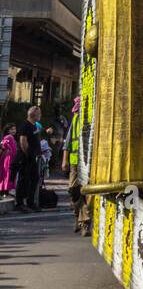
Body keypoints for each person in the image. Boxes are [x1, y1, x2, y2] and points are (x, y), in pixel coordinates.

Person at [62, 97, 88, 234]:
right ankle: (77, 217)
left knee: (84, 191)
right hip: (75, 162)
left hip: (87, 163)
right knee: (74, 191)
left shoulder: (90, 121)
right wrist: (64, 160)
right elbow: (67, 143)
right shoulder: (76, 120)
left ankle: (84, 223)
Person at [14, 104, 42, 211]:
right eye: (39, 113)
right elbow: (23, 142)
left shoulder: (35, 126)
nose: (40, 115)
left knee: (34, 179)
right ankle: (19, 203)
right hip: (25, 157)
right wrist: (28, 154)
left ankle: (30, 202)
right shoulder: (25, 126)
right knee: (23, 179)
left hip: (33, 157)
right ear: (33, 114)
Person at [0, 123, 18, 194]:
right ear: (8, 130)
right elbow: (3, 144)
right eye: (12, 129)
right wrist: (8, 150)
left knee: (6, 173)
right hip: (9, 158)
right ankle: (7, 189)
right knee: (8, 173)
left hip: (9, 158)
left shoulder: (10, 137)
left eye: (14, 129)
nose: (14, 130)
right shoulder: (9, 137)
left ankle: (5, 189)